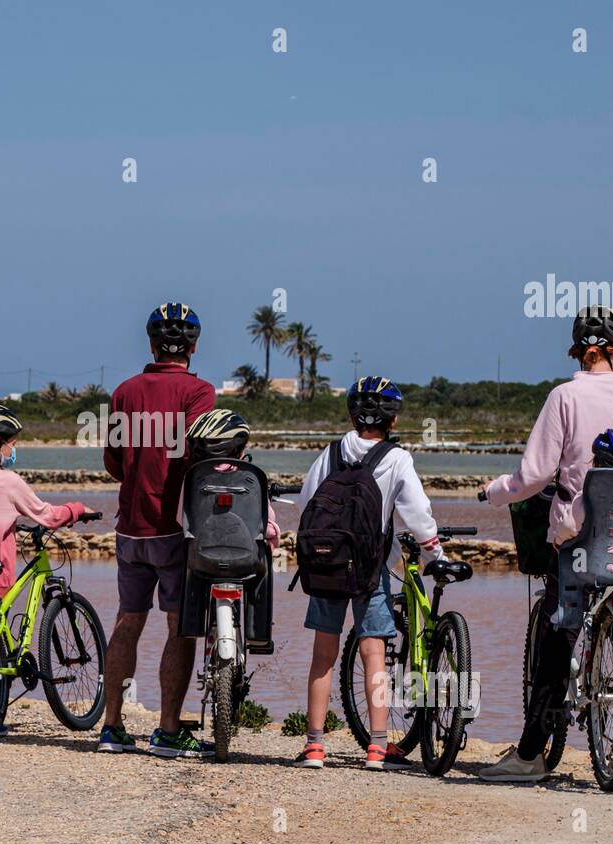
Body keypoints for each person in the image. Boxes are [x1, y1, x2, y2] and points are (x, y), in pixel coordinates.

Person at [478, 305, 613, 783]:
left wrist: (494, 493)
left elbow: (533, 477)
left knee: (558, 632)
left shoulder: (564, 397)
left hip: (579, 544)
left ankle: (531, 754)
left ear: (579, 350)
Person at [292, 376, 455, 771]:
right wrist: (436, 553)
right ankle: (378, 749)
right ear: (393, 421)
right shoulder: (396, 459)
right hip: (370, 569)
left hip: (327, 564)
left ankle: (314, 747)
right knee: (374, 654)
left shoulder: (329, 453)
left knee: (323, 655)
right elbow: (418, 515)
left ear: (351, 416)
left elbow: (304, 506)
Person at [99, 303, 217, 757]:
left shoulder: (124, 392)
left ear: (149, 344)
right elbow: (199, 457)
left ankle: (112, 726)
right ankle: (168, 730)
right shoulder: (200, 392)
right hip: (172, 528)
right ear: (194, 346)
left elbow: (113, 464)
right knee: (178, 628)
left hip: (129, 529)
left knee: (127, 622)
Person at [0, 404, 90, 602]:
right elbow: (48, 516)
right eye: (12, 444)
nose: (13, 449)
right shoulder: (7, 481)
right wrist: (78, 510)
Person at [177, 409, 281, 646]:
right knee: (263, 565)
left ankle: (191, 624)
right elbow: (264, 525)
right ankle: (258, 635)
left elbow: (182, 521)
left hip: (201, 560)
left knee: (189, 563)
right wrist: (273, 534)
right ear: (240, 448)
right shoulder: (250, 477)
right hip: (247, 560)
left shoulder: (193, 478)